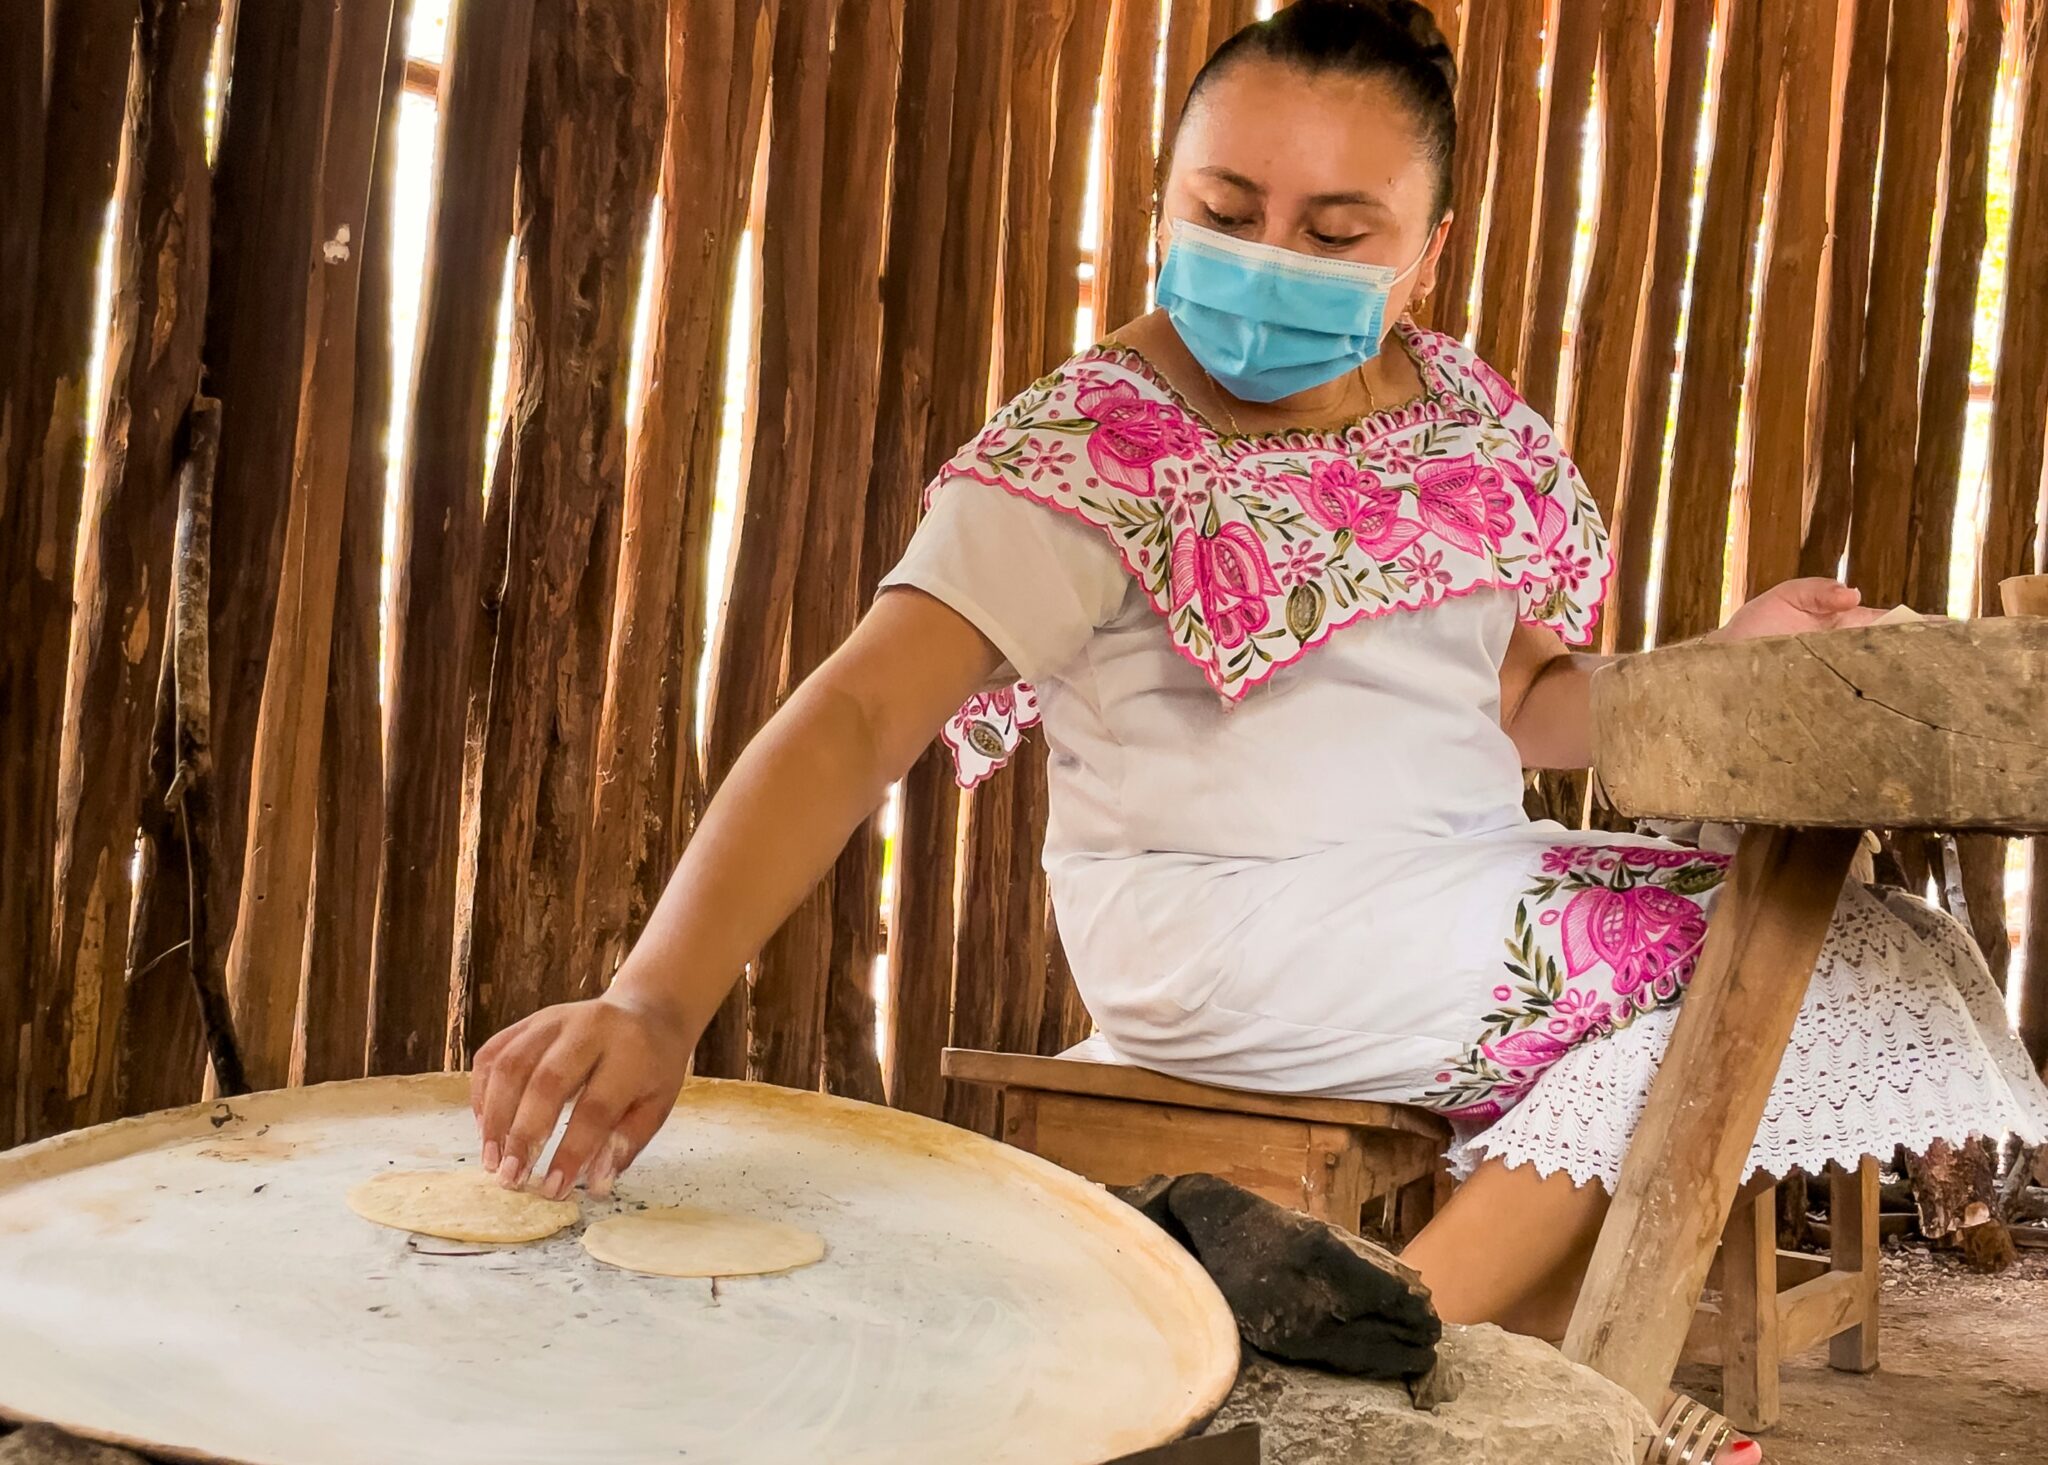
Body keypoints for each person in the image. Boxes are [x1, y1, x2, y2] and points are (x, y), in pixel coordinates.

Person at [472, 3, 2048, 1458]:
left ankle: (1381, 1334)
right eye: (1224, 213)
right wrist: (657, 997)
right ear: (1164, 198)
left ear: (1425, 252)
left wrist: (1721, 655)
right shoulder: (1089, 445)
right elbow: (860, 708)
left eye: (1336, 230)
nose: (1270, 256)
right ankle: (1370, 1385)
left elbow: (1523, 698)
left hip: (1451, 883)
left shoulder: (1466, 419)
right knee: (1774, 966)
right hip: (1221, 924)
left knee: (1843, 944)